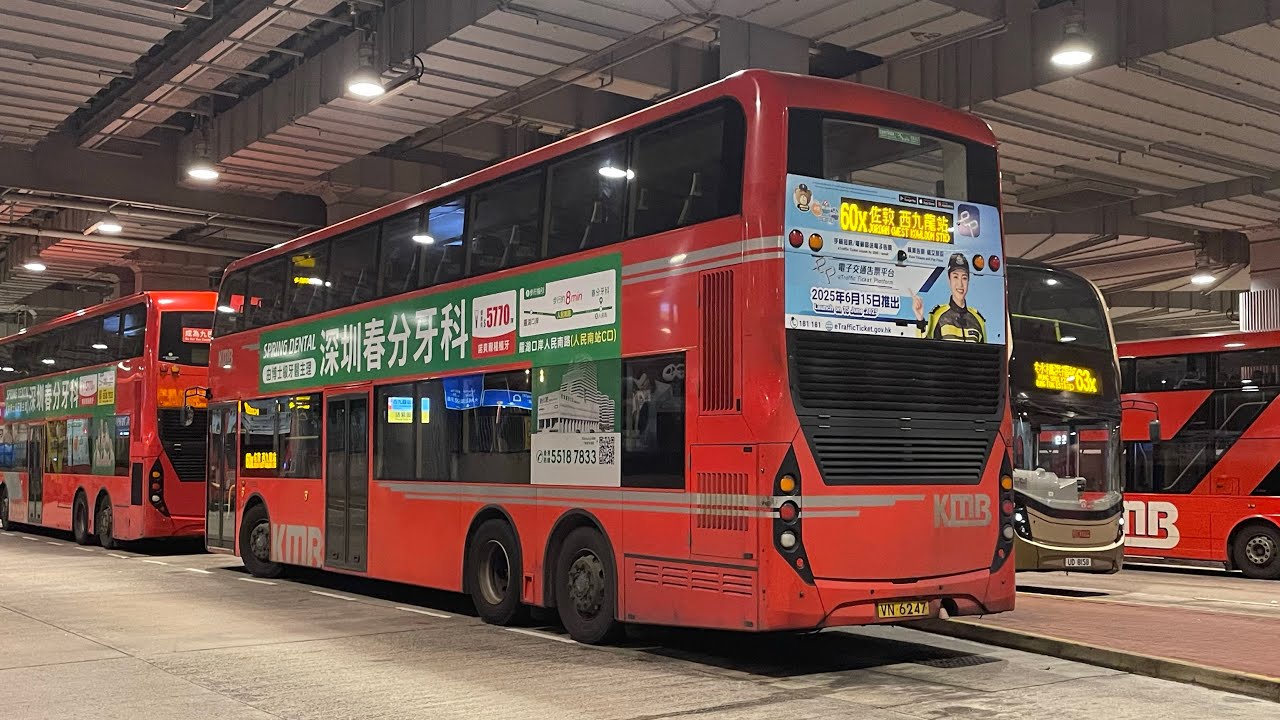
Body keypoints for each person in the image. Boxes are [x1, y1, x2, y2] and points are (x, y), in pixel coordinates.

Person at [913, 253, 986, 342]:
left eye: (964, 278)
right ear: (949, 280)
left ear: (968, 281)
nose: (960, 284)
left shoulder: (978, 319)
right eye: (955, 277)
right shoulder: (937, 315)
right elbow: (924, 346)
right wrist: (920, 319)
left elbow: (986, 352)